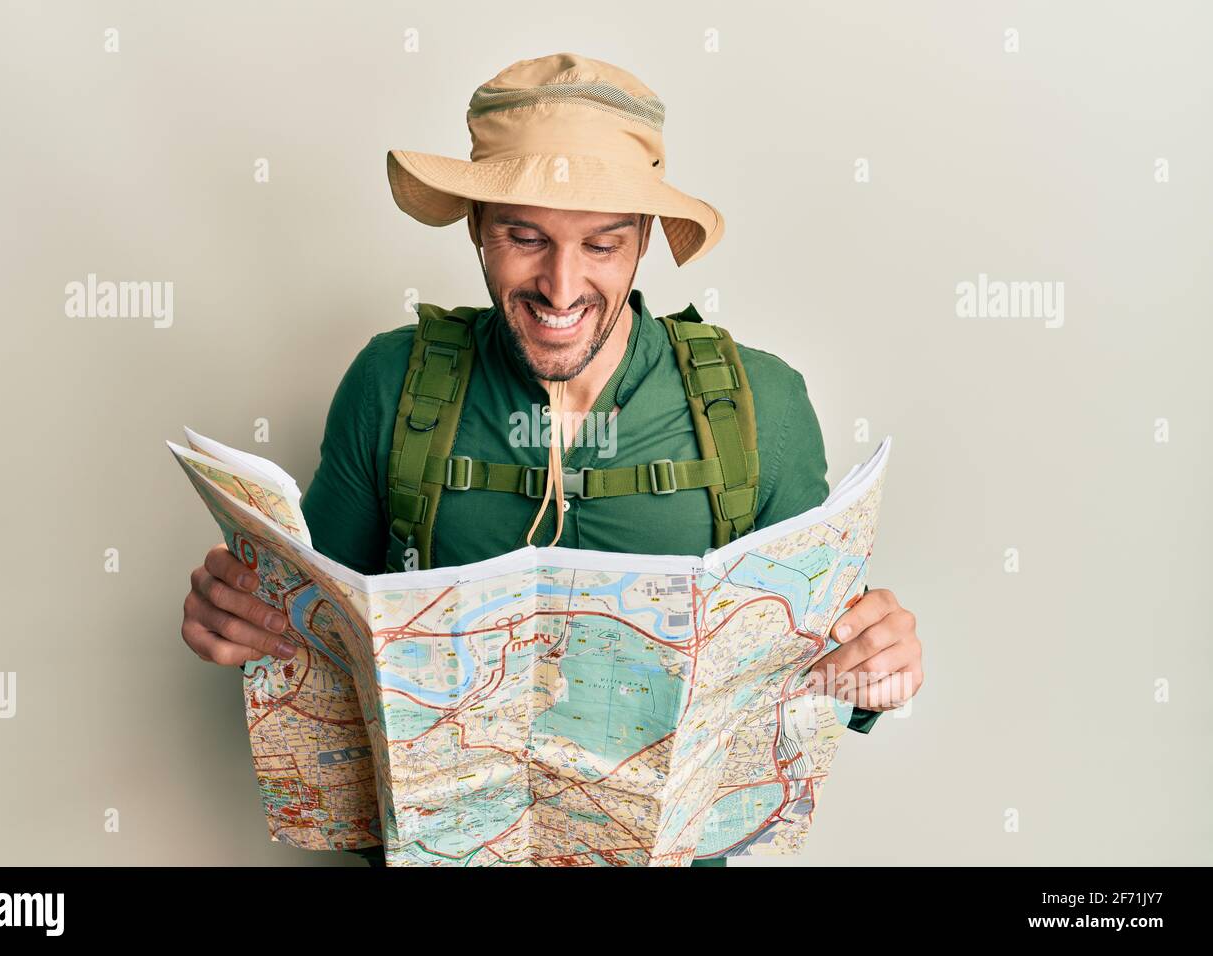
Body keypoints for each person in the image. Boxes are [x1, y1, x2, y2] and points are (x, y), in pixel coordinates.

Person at [180, 53, 924, 867]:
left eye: (602, 244)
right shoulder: (390, 385)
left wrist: (877, 672)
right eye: (524, 237)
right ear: (475, 226)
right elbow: (318, 643)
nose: (561, 288)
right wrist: (239, 619)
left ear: (644, 240)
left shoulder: (761, 407)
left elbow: (823, 677)